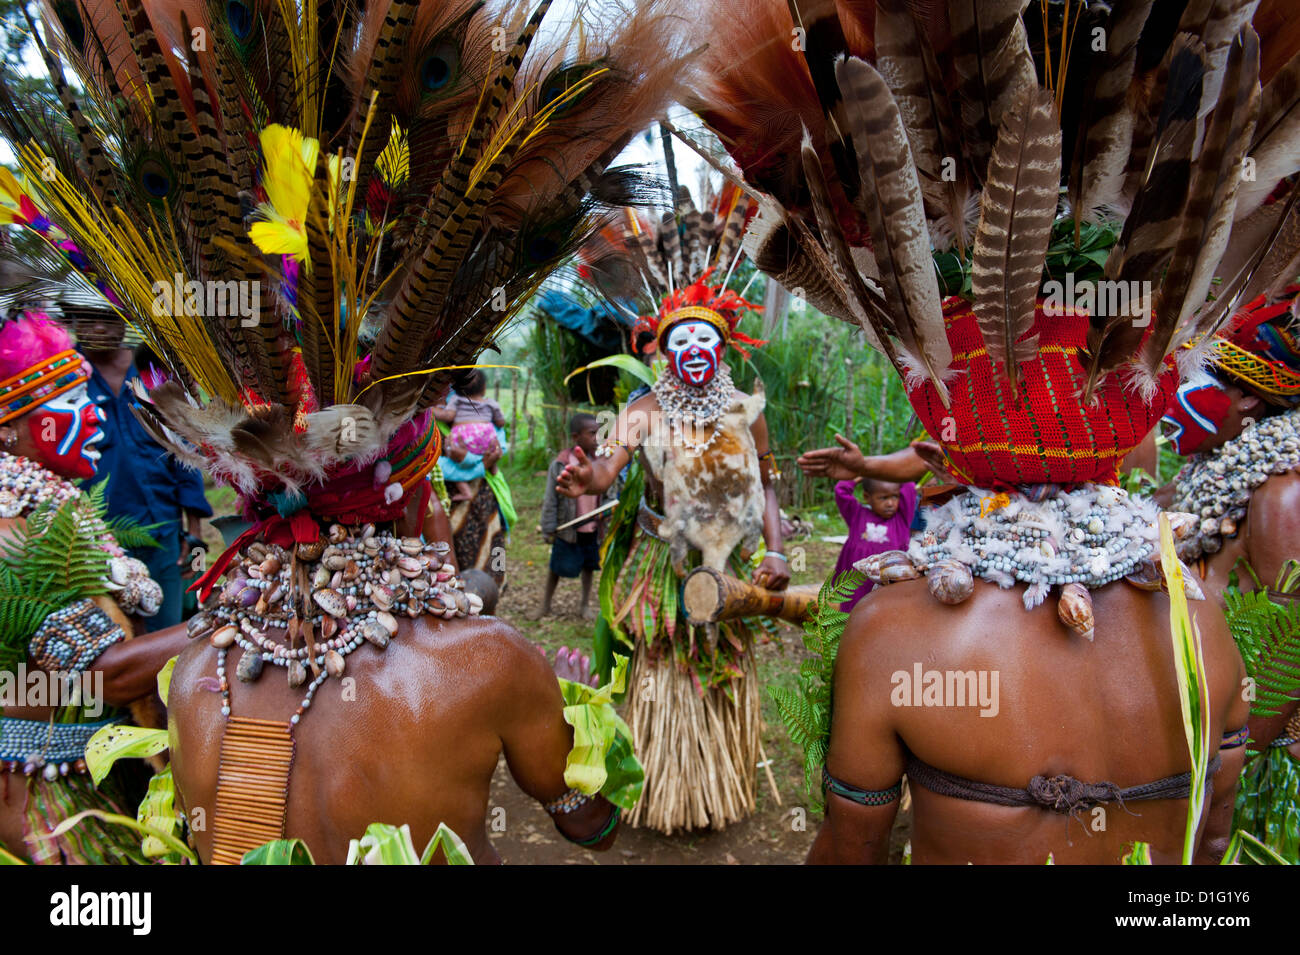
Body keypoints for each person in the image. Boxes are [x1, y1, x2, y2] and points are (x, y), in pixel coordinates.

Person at [6, 0, 690, 863]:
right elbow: (584, 818)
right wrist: (570, 736)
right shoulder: (492, 663)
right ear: (403, 485)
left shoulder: (195, 678)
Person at [693, 0, 1277, 862]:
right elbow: (1214, 840)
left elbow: (850, 852)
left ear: (940, 398)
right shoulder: (1204, 623)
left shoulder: (894, 634)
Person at [557, 249, 789, 832]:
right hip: (661, 563)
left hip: (727, 560)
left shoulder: (746, 409)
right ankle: (657, 787)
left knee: (720, 661)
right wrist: (588, 478)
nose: (690, 350)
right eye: (677, 340)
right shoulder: (642, 410)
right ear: (661, 349)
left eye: (702, 339)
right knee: (661, 663)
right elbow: (608, 470)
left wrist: (778, 549)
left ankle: (713, 789)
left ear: (722, 347)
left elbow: (768, 484)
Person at [0, 310, 184, 862]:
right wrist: (225, 621)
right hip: (47, 800)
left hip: (97, 773)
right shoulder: (15, 530)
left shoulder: (47, 506)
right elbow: (103, 678)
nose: (97, 422)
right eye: (73, 405)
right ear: (11, 426)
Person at [1158, 289, 1300, 860]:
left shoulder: (1282, 497)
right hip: (1199, 724)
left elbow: (1287, 644)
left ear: (1246, 401)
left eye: (1196, 386)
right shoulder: (1210, 476)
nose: (1175, 402)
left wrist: (1234, 762)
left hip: (1238, 755)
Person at [72, 308, 212, 630]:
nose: (98, 328)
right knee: (116, 636)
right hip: (96, 540)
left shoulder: (151, 371)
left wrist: (192, 533)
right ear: (72, 322)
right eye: (86, 319)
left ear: (123, 321)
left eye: (107, 319)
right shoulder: (66, 378)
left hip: (163, 532)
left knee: (169, 631)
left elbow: (182, 450)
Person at [823, 446, 919, 610]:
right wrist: (861, 473)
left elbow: (908, 486)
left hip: (889, 582)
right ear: (867, 497)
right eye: (883, 497)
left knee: (888, 612)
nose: (890, 503)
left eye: (894, 496)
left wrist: (886, 469)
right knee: (851, 612)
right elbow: (841, 491)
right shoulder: (857, 515)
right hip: (857, 582)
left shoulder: (902, 518)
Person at [540, 412, 612, 618]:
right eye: (591, 433)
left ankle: (584, 605)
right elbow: (551, 498)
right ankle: (545, 604)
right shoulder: (561, 464)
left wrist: (606, 515)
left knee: (589, 566)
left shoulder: (601, 463)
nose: (597, 438)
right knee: (557, 565)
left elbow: (608, 492)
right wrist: (548, 526)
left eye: (599, 433)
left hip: (592, 526)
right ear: (575, 437)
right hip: (568, 527)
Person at [433, 370, 506, 502]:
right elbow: (501, 423)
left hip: (462, 439)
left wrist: (430, 410)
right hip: (486, 438)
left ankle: (465, 491)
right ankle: (492, 467)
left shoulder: (456, 399)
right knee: (490, 454)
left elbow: (447, 416)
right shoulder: (490, 403)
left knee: (453, 465)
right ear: (484, 388)